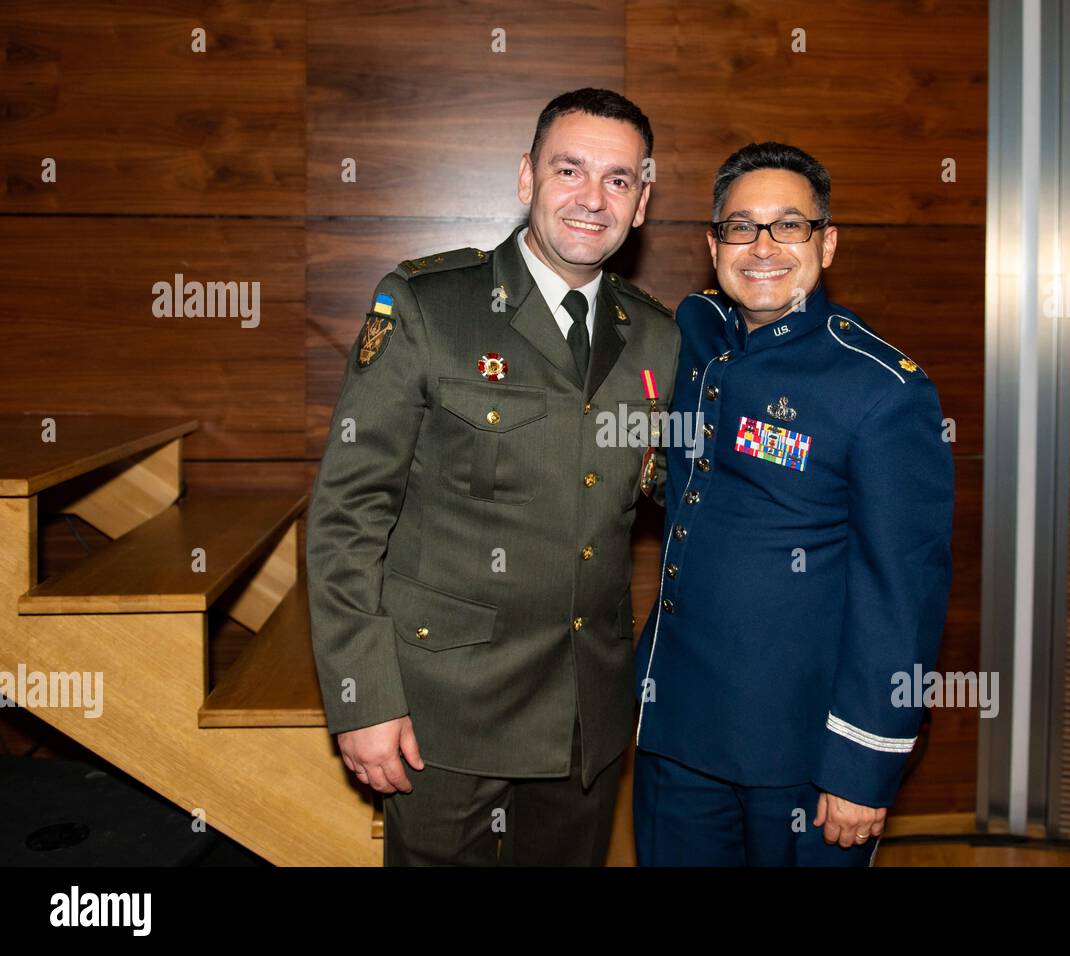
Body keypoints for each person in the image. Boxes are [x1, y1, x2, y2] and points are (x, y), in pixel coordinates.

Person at [306, 88, 679, 865]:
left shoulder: (654, 336)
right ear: (525, 178)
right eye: (568, 169)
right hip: (445, 711)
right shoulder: (427, 306)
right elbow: (347, 514)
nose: (591, 199)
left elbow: (669, 491)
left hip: (587, 713)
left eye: (618, 180)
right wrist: (361, 697)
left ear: (642, 203)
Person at [632, 142, 954, 866]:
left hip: (803, 755)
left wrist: (862, 765)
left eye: (789, 226)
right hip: (676, 732)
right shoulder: (694, 335)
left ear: (827, 242)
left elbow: (904, 594)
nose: (764, 247)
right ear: (713, 245)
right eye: (742, 227)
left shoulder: (880, 389)